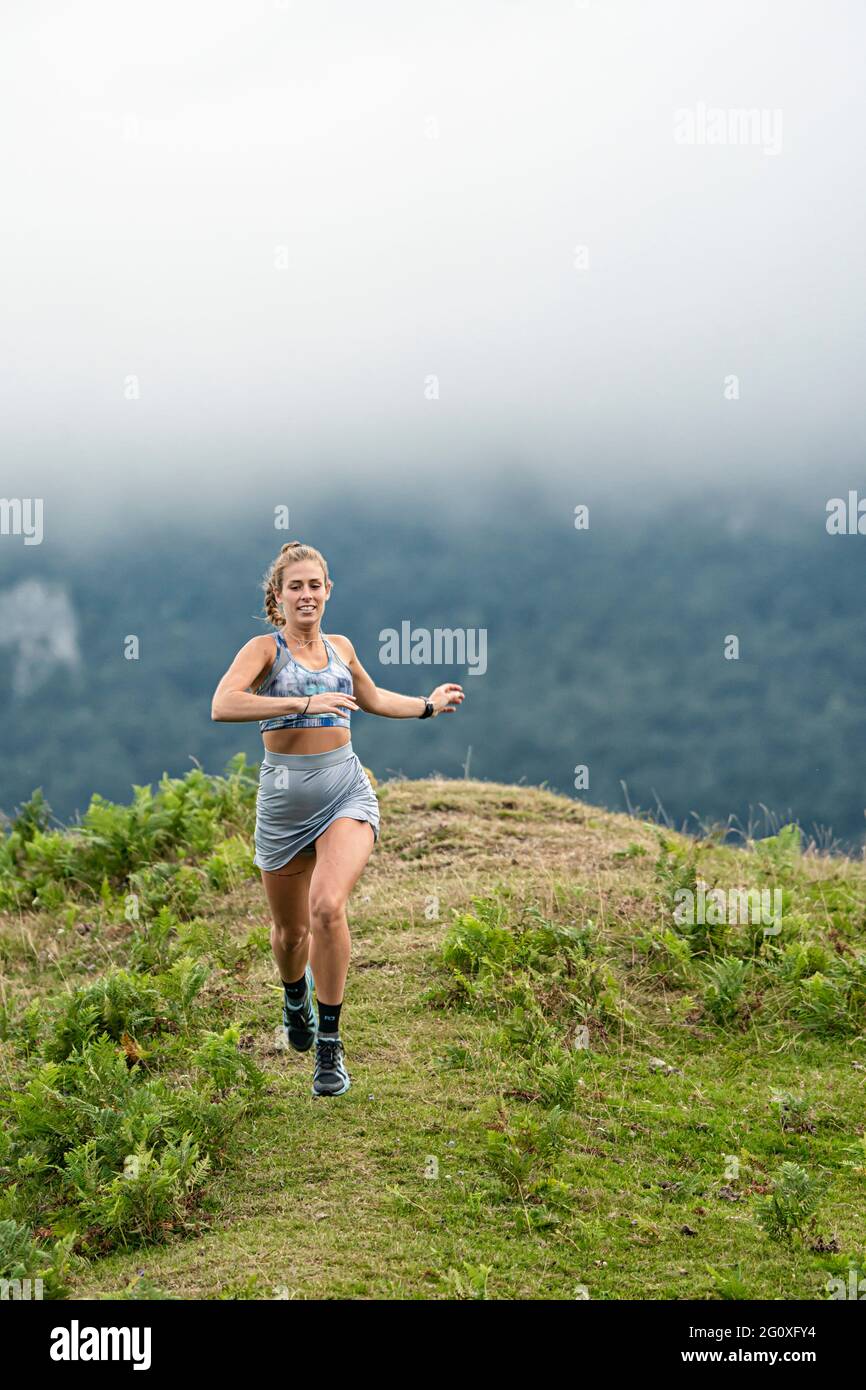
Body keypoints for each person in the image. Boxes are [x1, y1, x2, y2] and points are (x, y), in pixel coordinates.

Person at [211, 540, 464, 1096]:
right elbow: (223, 704)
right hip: (281, 804)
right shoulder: (264, 650)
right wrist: (302, 704)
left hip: (344, 792)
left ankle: (330, 1045)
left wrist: (427, 704)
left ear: (328, 592)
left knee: (327, 908)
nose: (306, 594)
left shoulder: (342, 647)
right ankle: (294, 996)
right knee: (289, 933)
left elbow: (372, 699)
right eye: (294, 586)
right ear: (278, 597)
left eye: (314, 585)